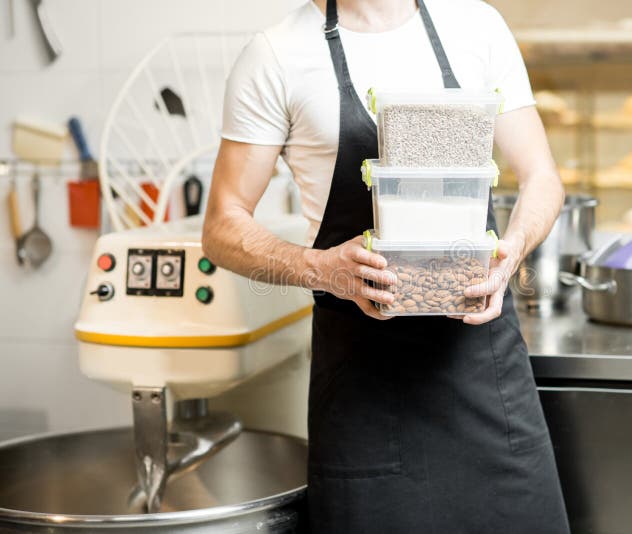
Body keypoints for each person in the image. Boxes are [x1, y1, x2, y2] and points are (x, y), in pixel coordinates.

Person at [203, 0, 570, 531]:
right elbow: (221, 225)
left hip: (487, 386)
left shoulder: (475, 26)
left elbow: (542, 177)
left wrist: (511, 251)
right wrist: (322, 269)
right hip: (366, 402)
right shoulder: (276, 55)